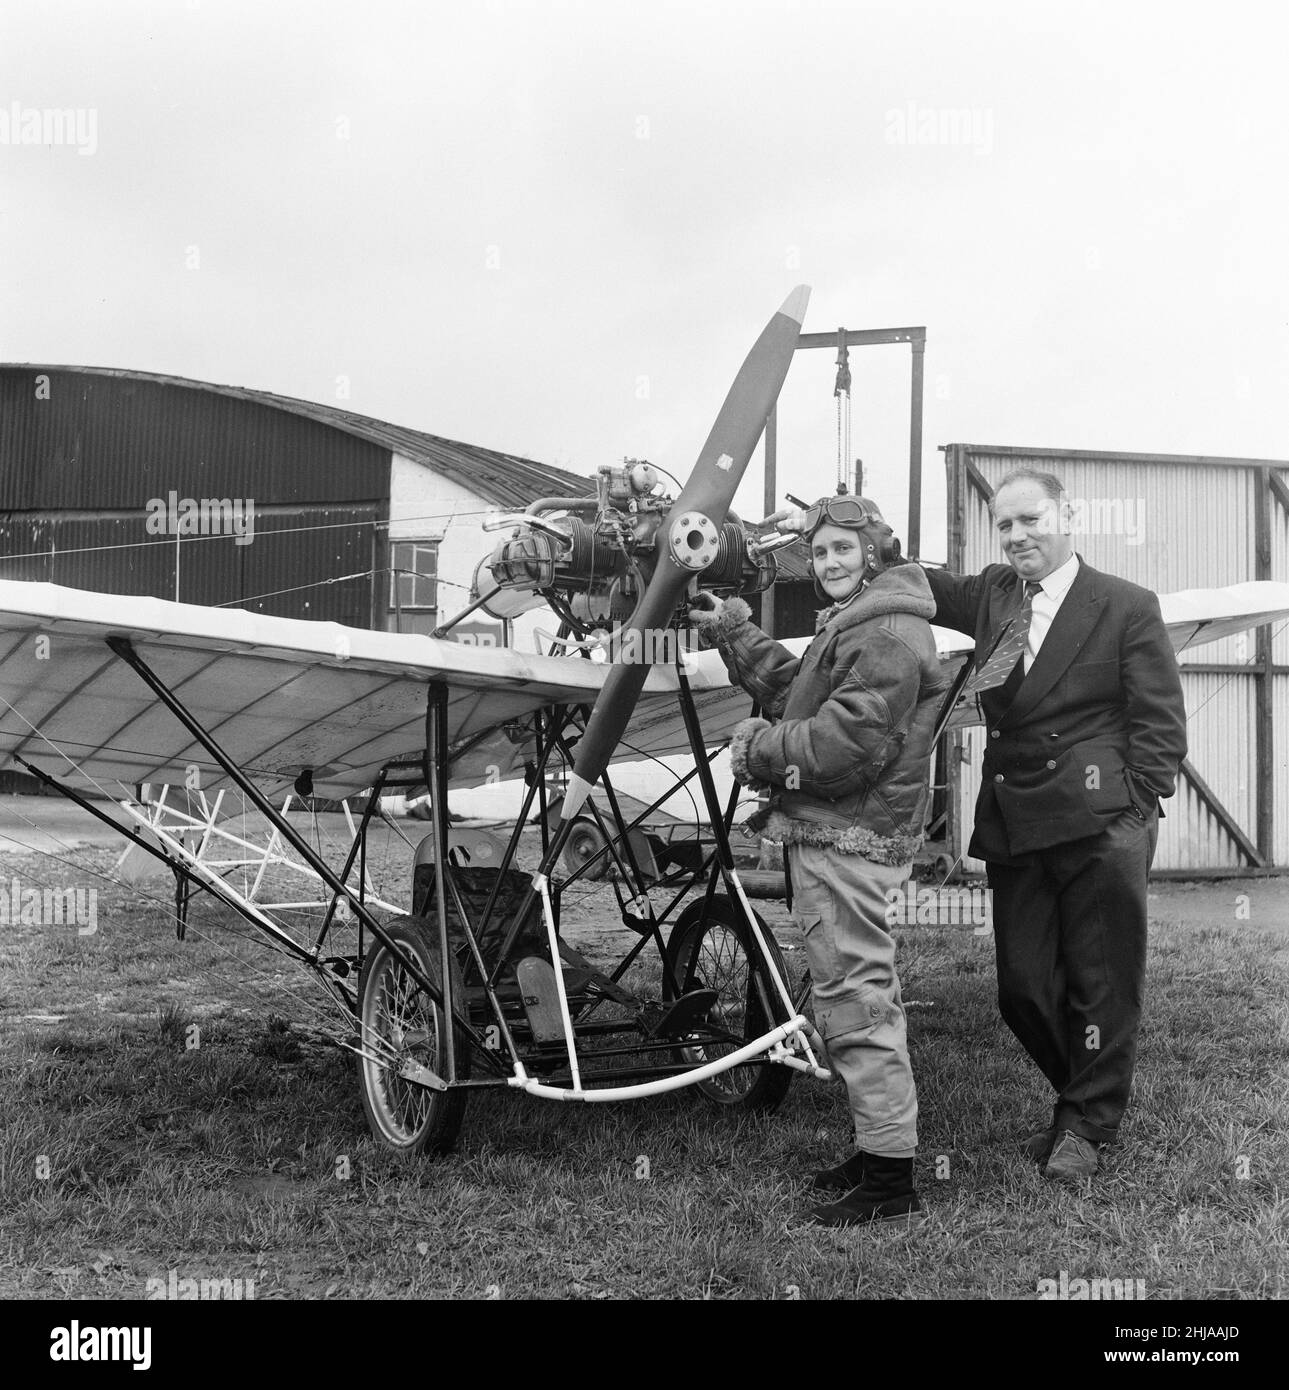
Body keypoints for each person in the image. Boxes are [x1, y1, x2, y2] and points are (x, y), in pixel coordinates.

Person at [689, 494, 947, 1226]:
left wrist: (753, 750)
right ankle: (877, 1154)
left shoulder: (888, 634)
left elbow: (841, 745)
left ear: (874, 552)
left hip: (846, 840)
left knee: (857, 1002)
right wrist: (735, 630)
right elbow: (795, 693)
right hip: (841, 834)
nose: (829, 562)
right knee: (854, 996)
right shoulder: (867, 622)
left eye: (842, 549)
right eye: (821, 550)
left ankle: (891, 1181)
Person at [923, 468, 1187, 1180]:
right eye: (1003, 525)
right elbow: (915, 576)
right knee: (1022, 988)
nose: (1015, 536)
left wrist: (1133, 809)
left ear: (1067, 516)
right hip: (1016, 817)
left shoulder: (1125, 605)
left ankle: (1087, 1128)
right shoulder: (991, 594)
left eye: (1029, 520)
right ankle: (1085, 1100)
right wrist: (852, 531)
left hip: (1102, 821)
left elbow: (1158, 721)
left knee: (1101, 982)